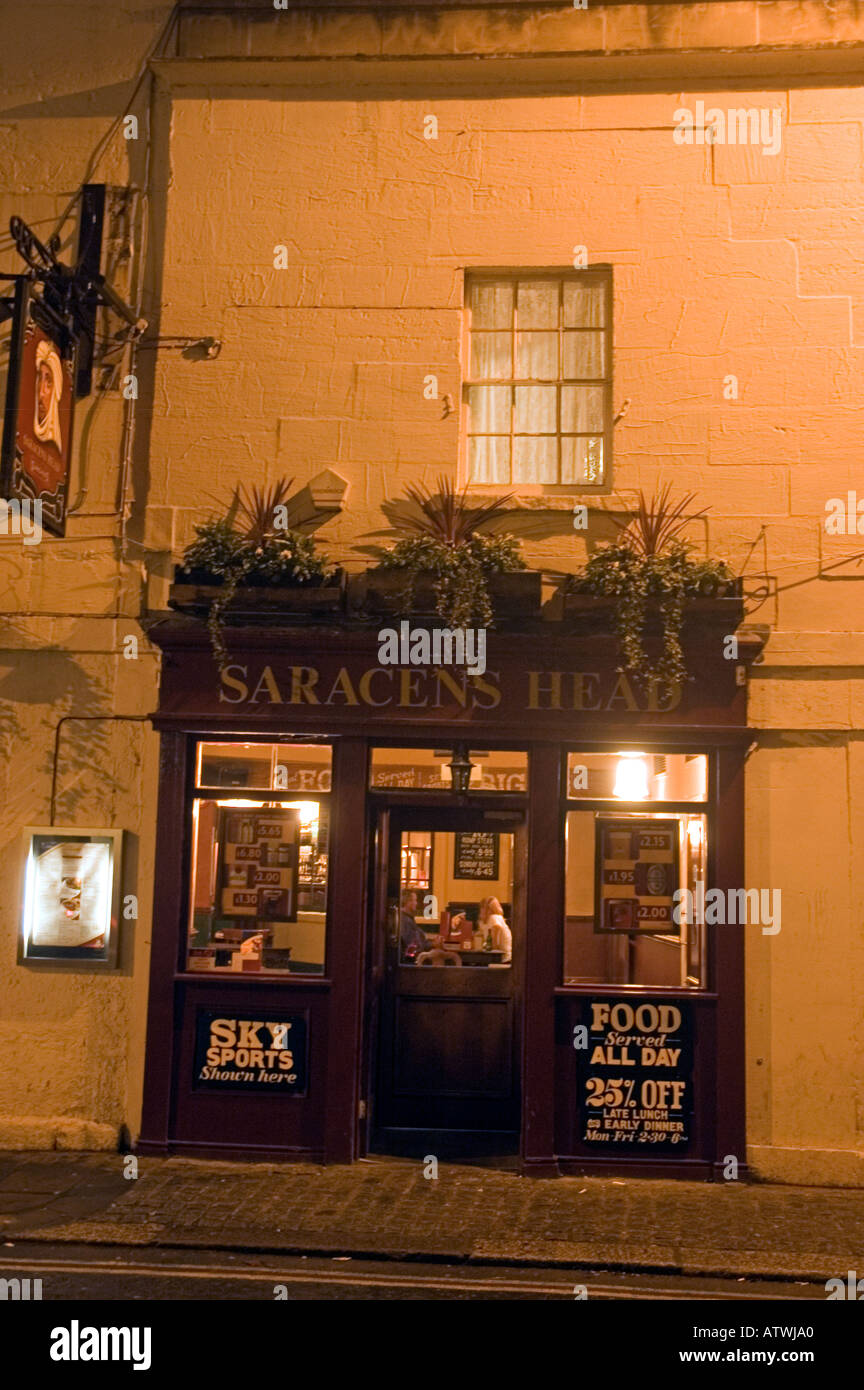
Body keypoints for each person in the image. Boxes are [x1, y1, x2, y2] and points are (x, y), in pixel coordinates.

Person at [399, 889, 434, 962]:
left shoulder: (407, 918)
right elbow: (415, 946)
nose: (416, 903)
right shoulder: (406, 921)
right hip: (413, 961)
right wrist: (433, 944)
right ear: (407, 902)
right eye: (415, 900)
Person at [479, 896, 512, 962]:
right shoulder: (485, 921)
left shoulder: (494, 918)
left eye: (482, 907)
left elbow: (494, 943)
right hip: (499, 957)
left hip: (503, 959)